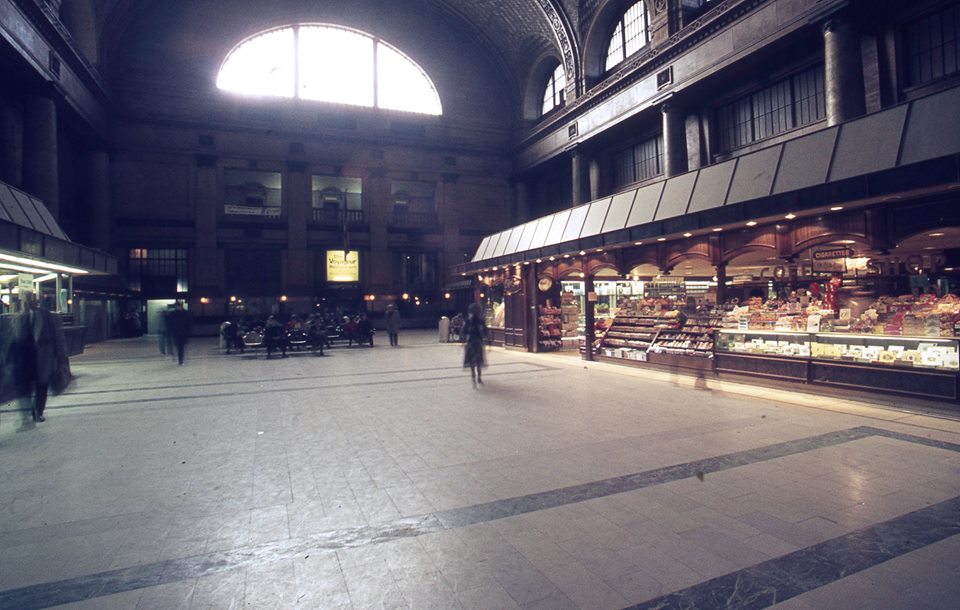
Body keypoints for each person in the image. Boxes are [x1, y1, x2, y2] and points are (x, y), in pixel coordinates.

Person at [14, 292, 71, 423]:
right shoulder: (19, 318)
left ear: (36, 301)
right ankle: (29, 410)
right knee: (26, 386)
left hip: (43, 358)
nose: (29, 302)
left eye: (31, 300)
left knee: (42, 385)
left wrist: (62, 357)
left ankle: (38, 411)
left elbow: (58, 338)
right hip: (25, 358)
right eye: (26, 300)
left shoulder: (47, 317)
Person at [462, 303, 487, 387]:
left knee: (474, 360)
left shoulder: (469, 321)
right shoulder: (478, 320)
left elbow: (463, 332)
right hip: (476, 342)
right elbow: (485, 331)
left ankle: (475, 376)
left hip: (472, 342)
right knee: (478, 360)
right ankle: (477, 377)